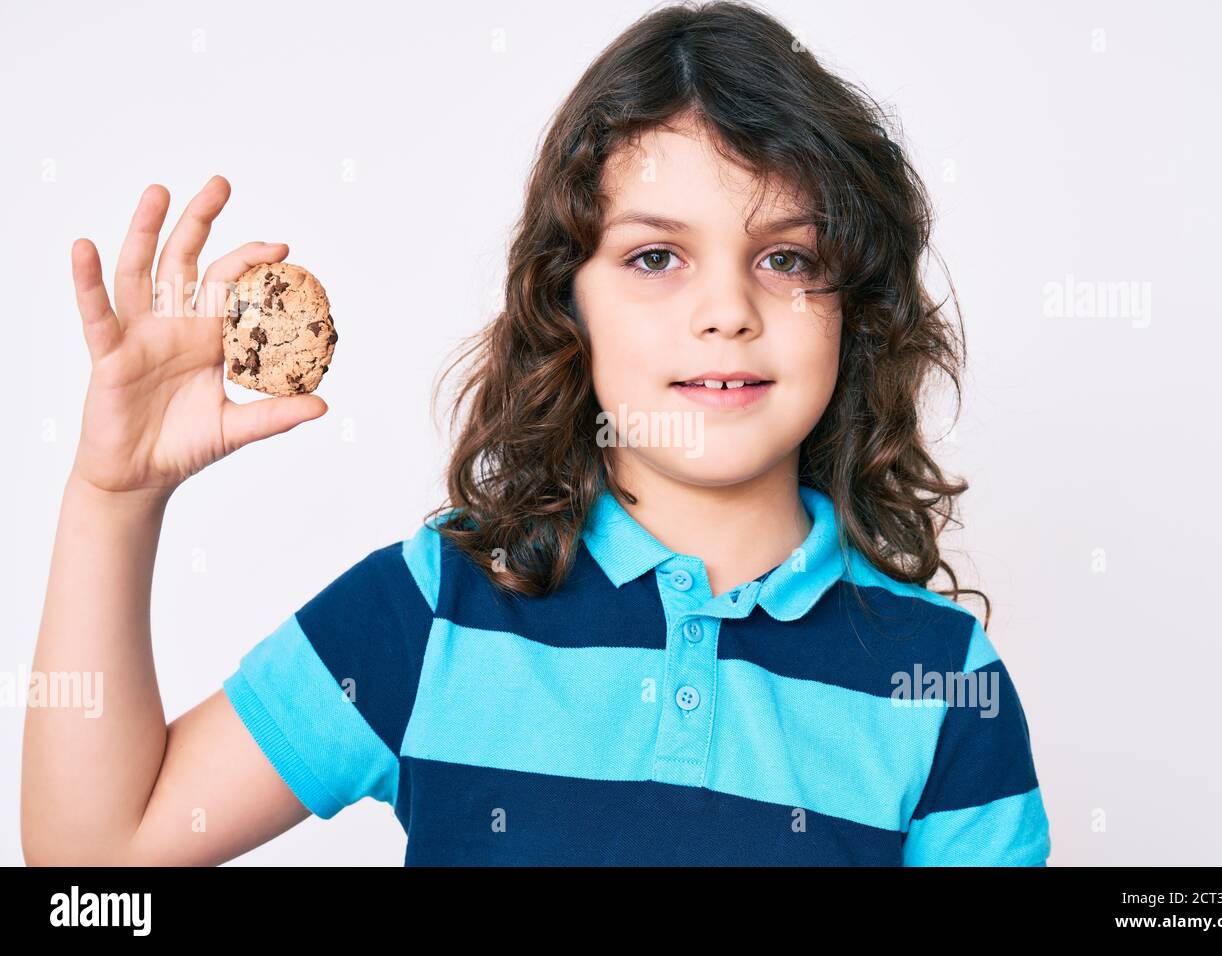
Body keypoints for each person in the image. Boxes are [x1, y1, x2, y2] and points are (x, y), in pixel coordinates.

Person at [22, 0, 1050, 866]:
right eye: (656, 258)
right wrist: (114, 497)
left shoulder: (944, 683)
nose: (725, 309)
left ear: (853, 306)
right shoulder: (437, 607)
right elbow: (97, 854)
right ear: (569, 301)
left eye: (784, 257)